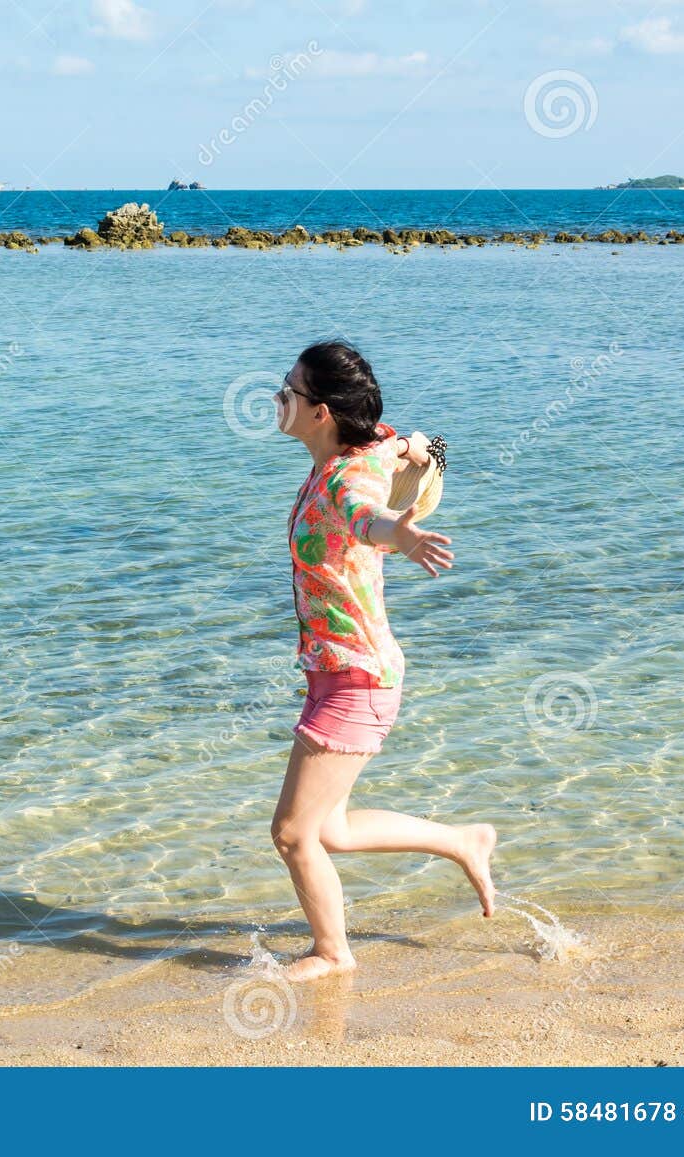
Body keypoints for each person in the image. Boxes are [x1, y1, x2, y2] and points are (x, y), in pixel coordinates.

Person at [271, 340, 496, 983]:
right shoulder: (363, 450)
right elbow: (399, 443)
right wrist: (420, 447)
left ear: (321, 412)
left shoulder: (346, 480)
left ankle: (332, 953)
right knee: (332, 829)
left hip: (358, 679)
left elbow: (365, 515)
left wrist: (399, 532)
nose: (278, 398)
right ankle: (462, 840)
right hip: (335, 674)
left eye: (289, 389)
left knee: (292, 833)